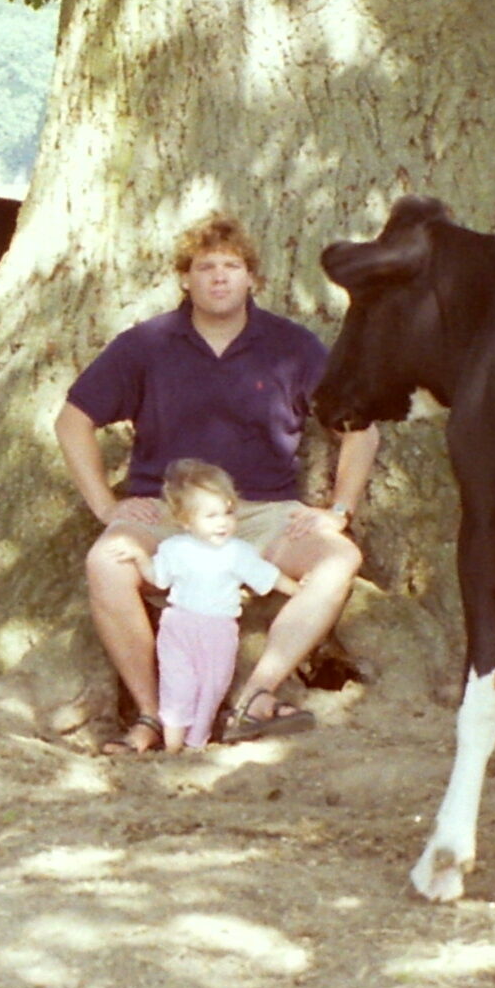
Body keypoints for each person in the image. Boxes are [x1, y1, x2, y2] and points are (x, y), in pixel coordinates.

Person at [56, 212, 382, 755]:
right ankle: (153, 716)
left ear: (252, 277)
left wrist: (339, 510)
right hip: (168, 513)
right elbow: (72, 422)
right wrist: (106, 507)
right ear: (185, 278)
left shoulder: (291, 346)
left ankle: (255, 698)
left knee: (338, 558)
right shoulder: (146, 344)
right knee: (106, 563)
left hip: (264, 513)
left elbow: (360, 431)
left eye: (231, 266)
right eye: (205, 267)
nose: (219, 277)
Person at [149, 459, 299, 750]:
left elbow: (268, 576)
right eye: (211, 515)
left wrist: (296, 589)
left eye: (228, 512)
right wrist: (137, 558)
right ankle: (172, 746)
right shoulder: (173, 548)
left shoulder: (238, 552)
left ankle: (196, 743)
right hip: (179, 625)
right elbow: (158, 578)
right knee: (177, 685)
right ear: (185, 520)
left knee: (212, 688)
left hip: (219, 630)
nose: (222, 522)